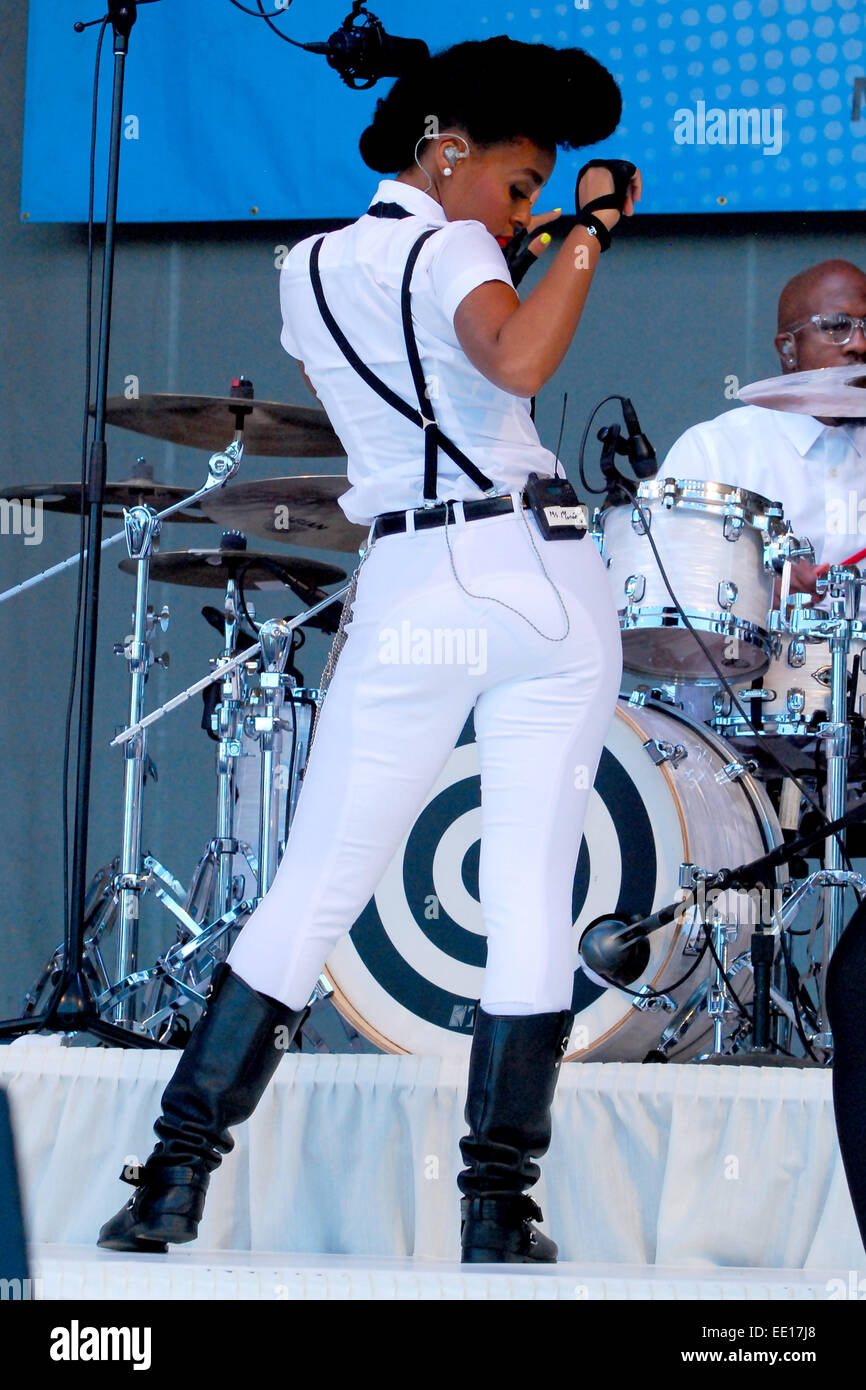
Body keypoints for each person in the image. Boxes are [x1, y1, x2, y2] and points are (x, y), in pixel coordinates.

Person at [97, 36, 639, 1265]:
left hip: (409, 577)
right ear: (445, 147)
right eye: (517, 181)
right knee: (525, 895)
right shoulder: (455, 246)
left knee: (315, 880)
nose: (528, 206)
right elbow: (513, 360)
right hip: (536, 569)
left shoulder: (305, 268)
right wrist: (591, 232)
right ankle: (497, 1207)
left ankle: (172, 1178)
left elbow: (402, 375)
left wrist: (527, 240)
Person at [661, 259, 866, 601]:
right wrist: (755, 594)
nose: (858, 343)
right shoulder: (716, 450)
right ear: (788, 348)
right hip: (748, 654)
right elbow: (665, 581)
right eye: (836, 326)